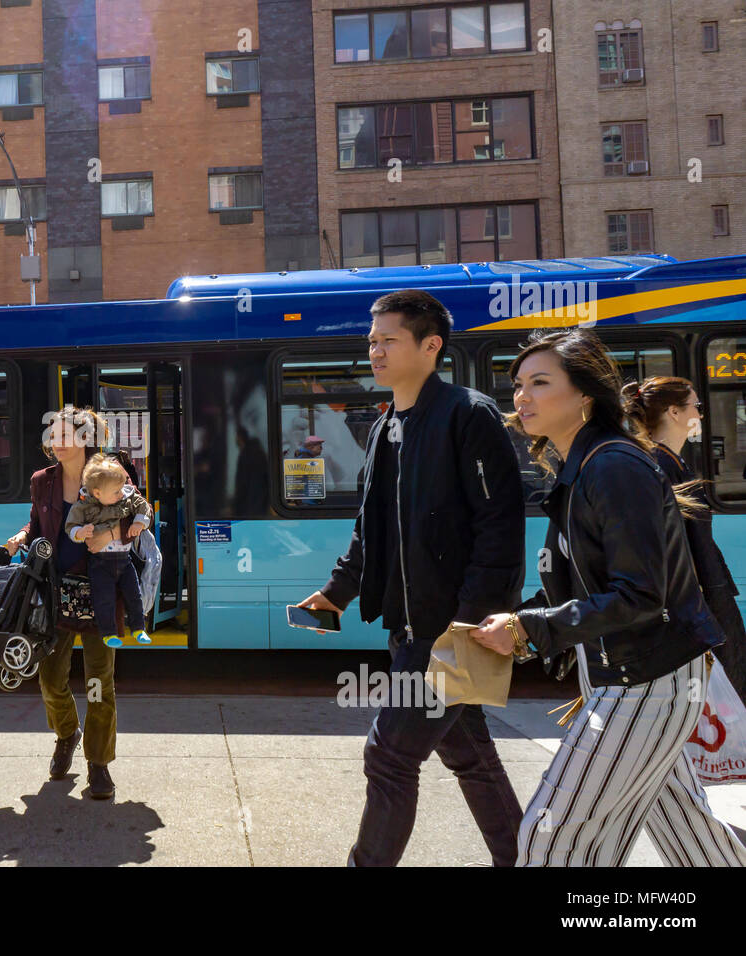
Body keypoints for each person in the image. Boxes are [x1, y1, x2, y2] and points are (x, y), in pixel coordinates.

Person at [471, 330, 746, 867]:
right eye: (518, 385)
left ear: (584, 396)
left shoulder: (612, 466)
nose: (521, 397)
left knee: (553, 840)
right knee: (695, 842)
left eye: (540, 382)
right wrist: (519, 623)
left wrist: (530, 627)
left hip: (643, 683)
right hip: (639, 679)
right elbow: (587, 587)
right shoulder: (586, 466)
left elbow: (641, 595)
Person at [298, 289, 526, 866]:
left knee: (389, 756)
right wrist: (337, 592)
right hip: (407, 628)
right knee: (470, 756)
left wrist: (466, 627)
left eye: (388, 340)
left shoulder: (467, 415)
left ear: (431, 346)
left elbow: (499, 531)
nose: (374, 350)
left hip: (446, 633)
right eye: (371, 340)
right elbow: (370, 526)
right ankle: (524, 859)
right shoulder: (384, 426)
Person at [4, 407, 135, 800]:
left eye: (64, 435)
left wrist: (109, 531)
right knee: (49, 680)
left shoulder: (113, 474)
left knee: (99, 684)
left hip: (101, 594)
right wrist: (20, 537)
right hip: (53, 594)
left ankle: (99, 764)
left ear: (85, 437)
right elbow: (36, 523)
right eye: (52, 435)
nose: (55, 442)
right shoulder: (42, 481)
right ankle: (66, 734)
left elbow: (137, 521)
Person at [622, 376, 746, 698]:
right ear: (674, 413)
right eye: (697, 406)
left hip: (707, 593)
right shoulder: (659, 464)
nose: (701, 415)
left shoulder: (669, 460)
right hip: (700, 599)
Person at [64, 453, 154, 647]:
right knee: (103, 599)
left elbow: (143, 507)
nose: (121, 494)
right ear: (97, 493)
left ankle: (139, 628)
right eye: (116, 491)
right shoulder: (83, 506)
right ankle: (108, 633)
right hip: (100, 563)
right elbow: (70, 527)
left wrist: (139, 522)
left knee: (134, 595)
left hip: (124, 560)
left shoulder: (125, 497)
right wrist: (80, 532)